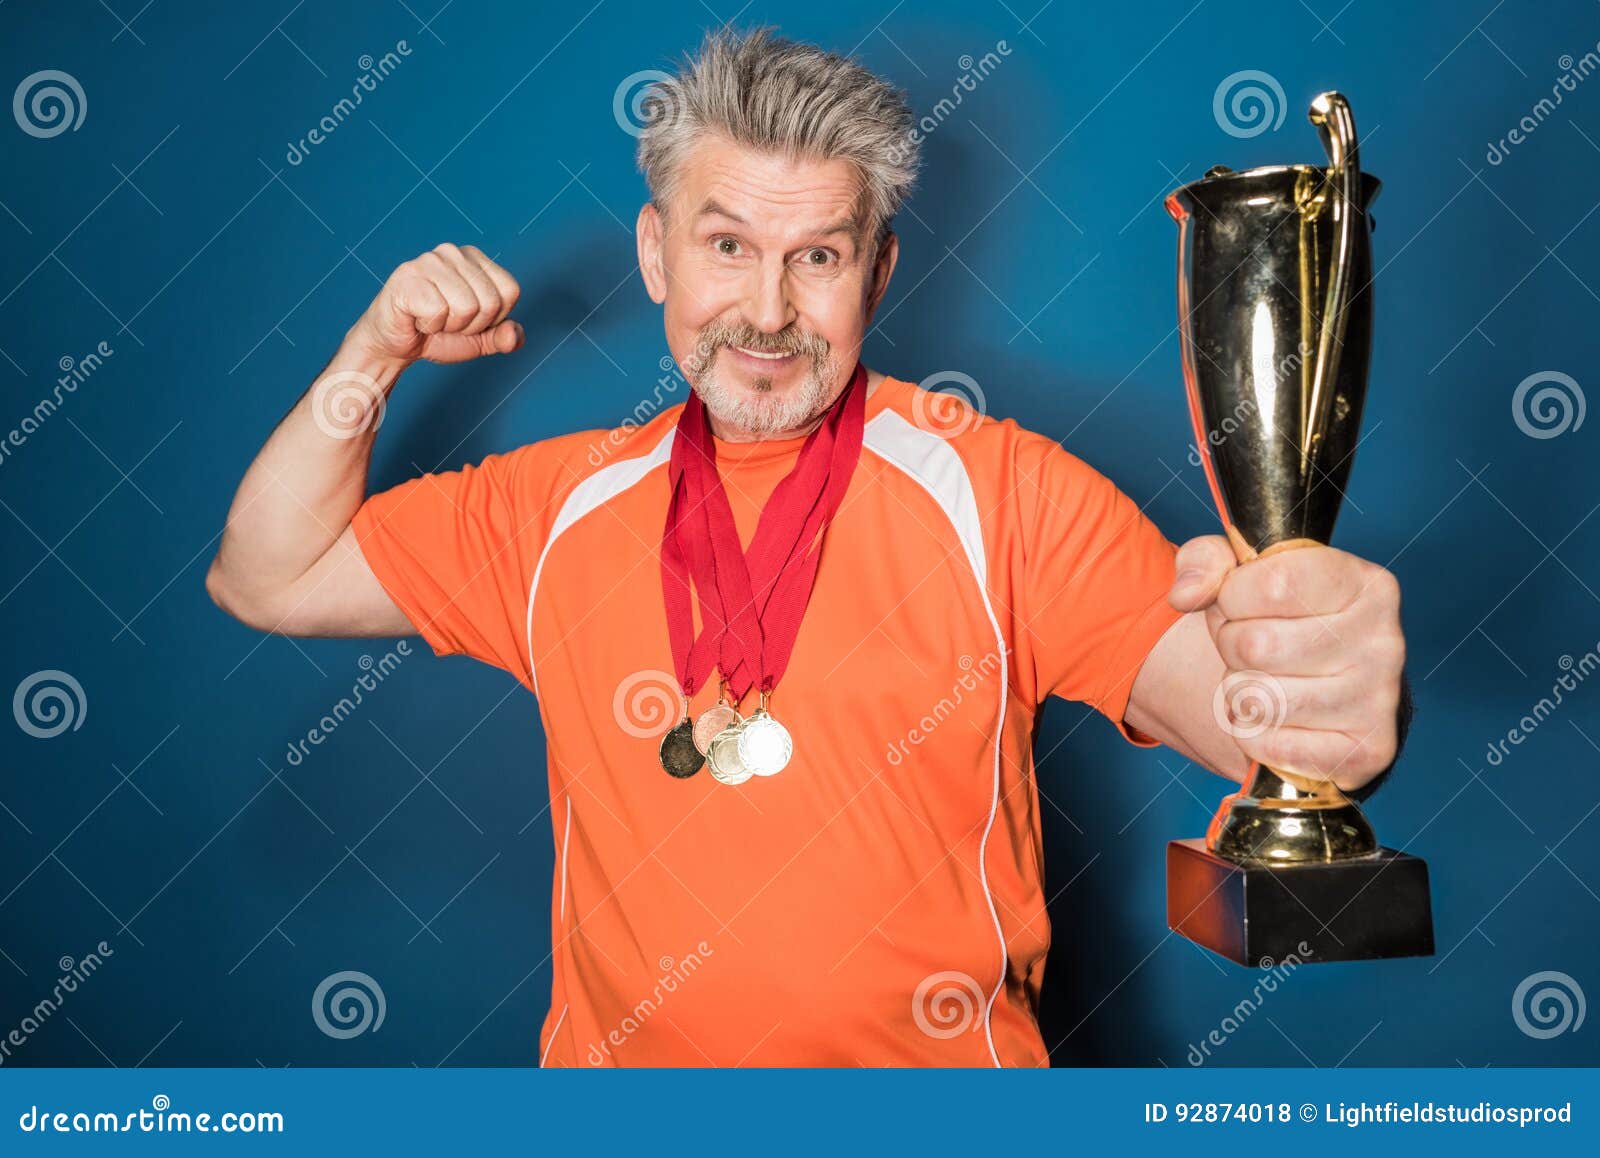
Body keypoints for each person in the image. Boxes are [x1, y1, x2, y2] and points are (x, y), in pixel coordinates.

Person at [206, 29, 1406, 1067]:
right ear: (655, 253)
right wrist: (373, 355)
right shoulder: (548, 508)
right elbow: (269, 576)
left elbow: (1250, 725)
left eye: (817, 256)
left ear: (877, 271)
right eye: (727, 246)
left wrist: (1323, 686)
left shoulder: (1006, 494)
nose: (769, 311)